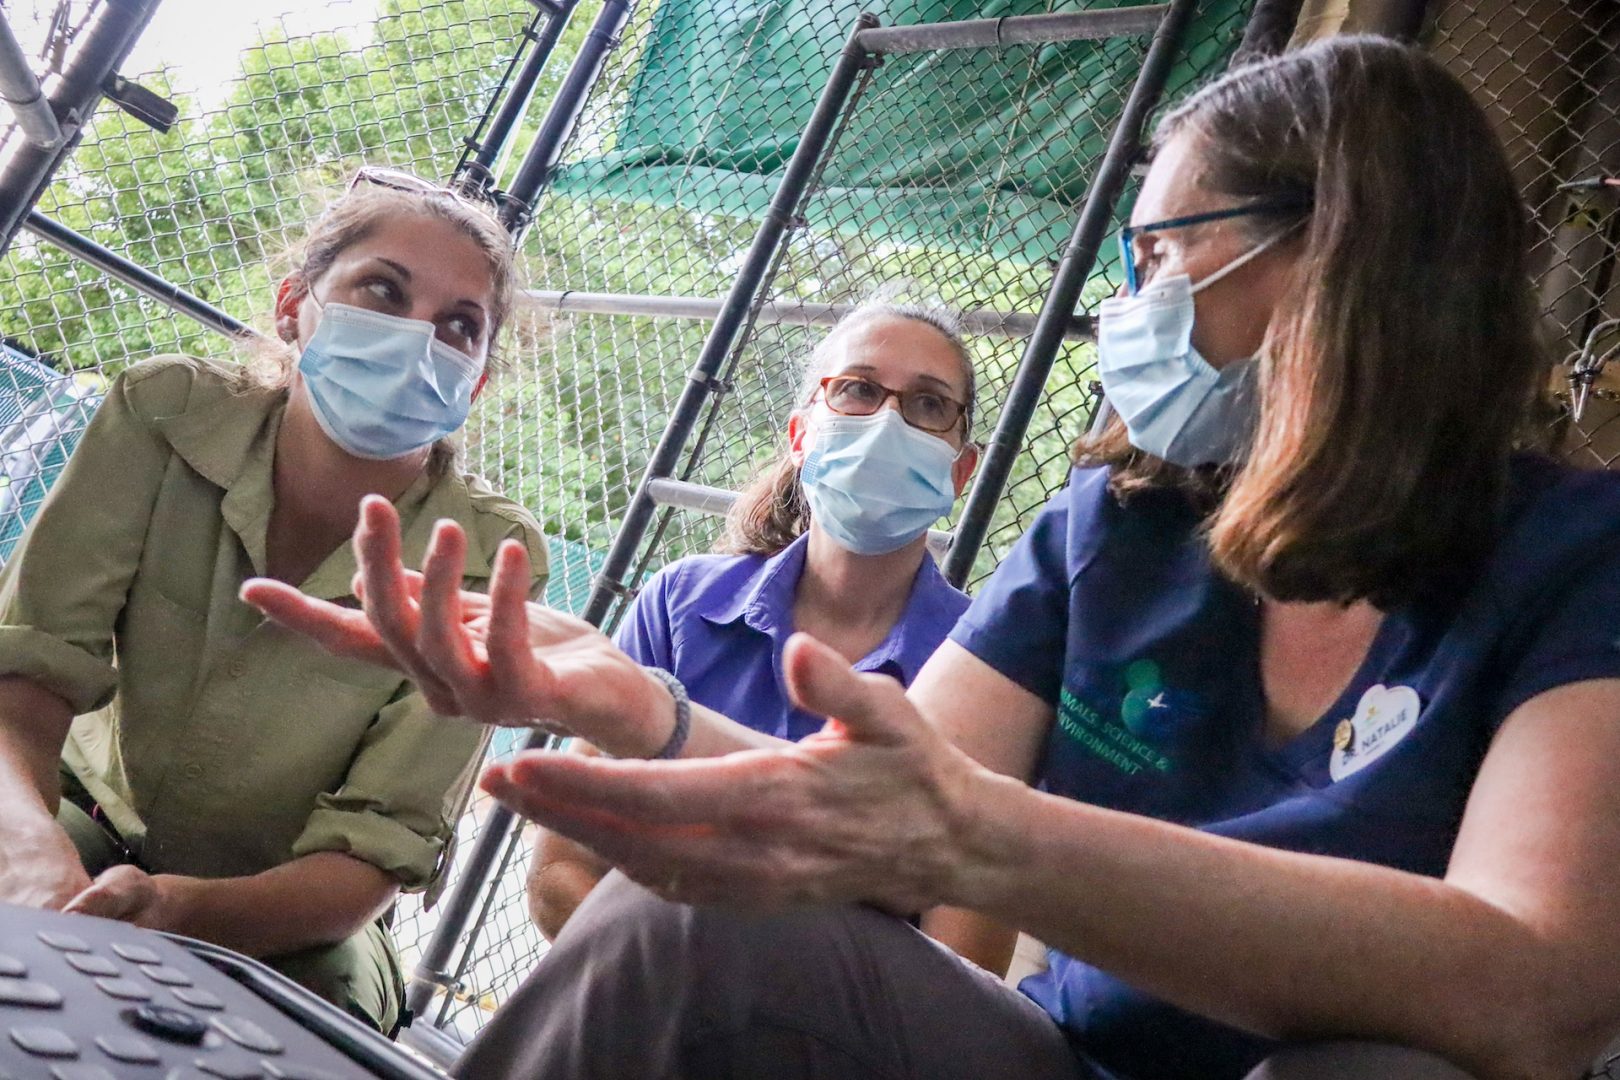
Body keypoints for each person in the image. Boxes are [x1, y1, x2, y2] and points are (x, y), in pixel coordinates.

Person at [246, 38, 1620, 1080]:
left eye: (1158, 253)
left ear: (1326, 249)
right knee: (683, 928)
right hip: (1057, 1059)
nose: (1128, 308)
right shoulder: (1117, 529)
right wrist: (642, 711)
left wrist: (987, 837)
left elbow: (1540, 988)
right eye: (853, 394)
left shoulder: (1576, 560)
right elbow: (889, 801)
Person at [0, 166, 549, 1034]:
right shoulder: (163, 413)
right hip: (77, 815)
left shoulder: (486, 553)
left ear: (475, 382)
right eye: (382, 290)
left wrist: (175, 912)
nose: (417, 339)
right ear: (294, 305)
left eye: (459, 326)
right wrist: (32, 856)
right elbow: (23, 683)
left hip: (290, 914)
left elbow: (372, 853)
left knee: (315, 1018)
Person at [527, 303, 979, 940]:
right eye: (857, 389)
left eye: (929, 405)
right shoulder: (680, 603)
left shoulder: (985, 668)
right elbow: (562, 867)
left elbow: (961, 960)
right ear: (800, 436)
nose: (887, 421)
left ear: (962, 470)